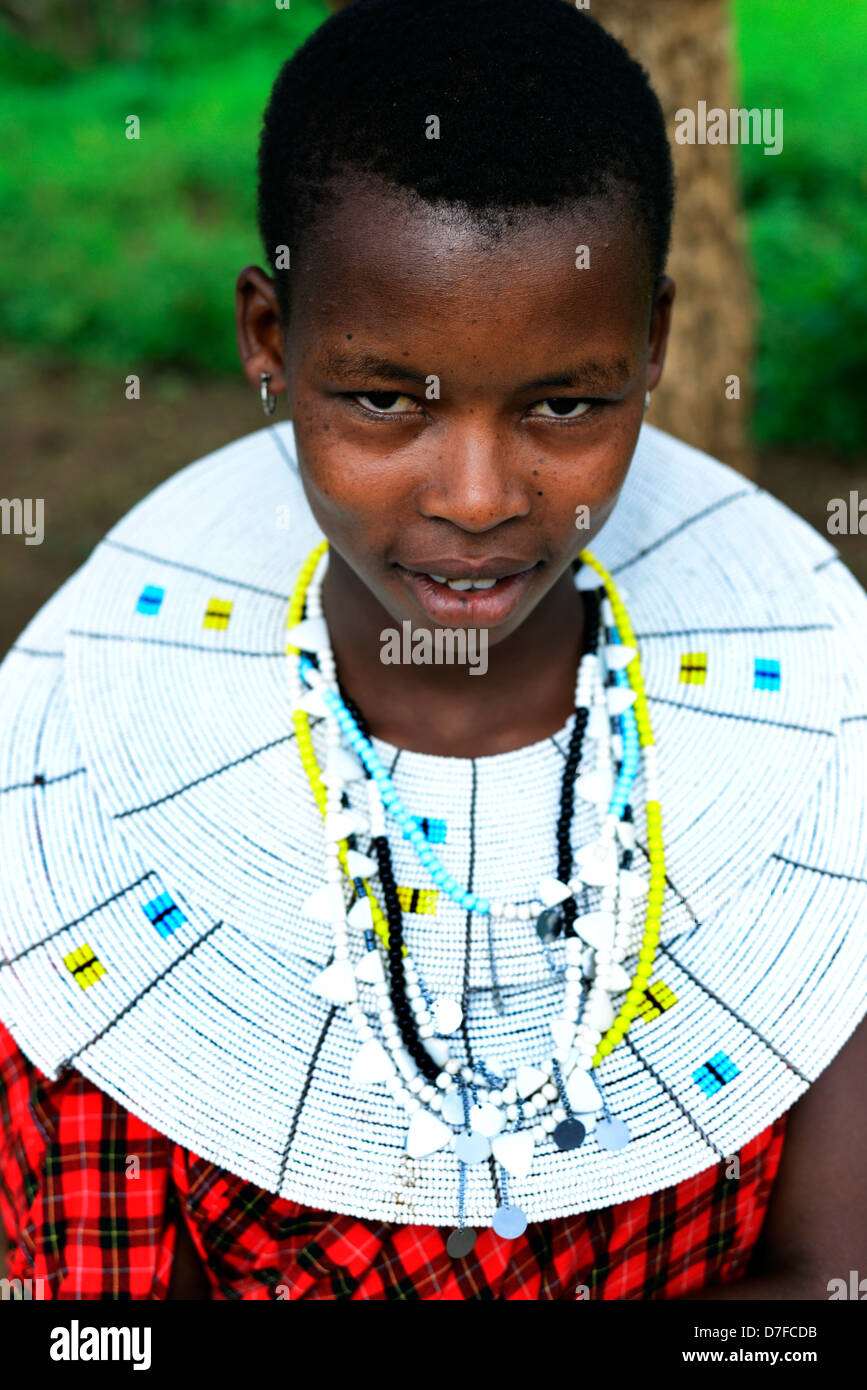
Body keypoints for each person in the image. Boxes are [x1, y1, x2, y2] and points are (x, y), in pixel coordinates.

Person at [1, 0, 866, 1302]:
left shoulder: (826, 772)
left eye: (564, 401)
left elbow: (827, 1274)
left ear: (655, 346)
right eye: (384, 398)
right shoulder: (78, 823)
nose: (475, 496)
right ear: (268, 342)